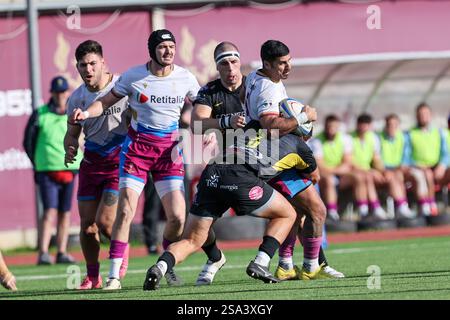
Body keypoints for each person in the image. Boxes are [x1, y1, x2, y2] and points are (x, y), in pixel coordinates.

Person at [191, 41, 343, 285]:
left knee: (298, 212)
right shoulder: (265, 88)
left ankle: (289, 265)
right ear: (268, 64)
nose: (287, 66)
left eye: (288, 60)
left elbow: (248, 101)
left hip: (259, 154)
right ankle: (310, 265)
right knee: (312, 210)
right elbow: (270, 127)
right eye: (282, 63)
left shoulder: (253, 78)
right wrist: (304, 117)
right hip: (269, 155)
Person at [70, 29, 200, 290]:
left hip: (169, 153)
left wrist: (206, 128)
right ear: (152, 50)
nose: (168, 51)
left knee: (177, 217)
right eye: (162, 47)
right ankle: (113, 276)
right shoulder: (133, 76)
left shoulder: (186, 77)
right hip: (137, 151)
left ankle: (165, 262)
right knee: (126, 210)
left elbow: (202, 106)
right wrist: (86, 113)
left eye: (172, 46)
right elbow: (105, 101)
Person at [142, 130, 320, 290]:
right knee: (287, 214)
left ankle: (161, 267)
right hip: (240, 176)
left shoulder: (254, 129)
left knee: (191, 240)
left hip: (212, 172)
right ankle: (261, 262)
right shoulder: (299, 144)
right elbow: (313, 176)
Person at [64, 40, 130, 290]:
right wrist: (70, 147)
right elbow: (71, 135)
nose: (88, 69)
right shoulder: (76, 98)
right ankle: (93, 275)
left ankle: (121, 252)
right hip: (91, 164)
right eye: (83, 65)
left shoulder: (122, 87)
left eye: (93, 63)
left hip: (118, 164)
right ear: (77, 67)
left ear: (103, 62)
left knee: (105, 222)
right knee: (88, 227)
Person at [23, 76, 81, 265]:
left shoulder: (74, 114)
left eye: (63, 92)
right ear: (52, 94)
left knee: (65, 212)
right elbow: (28, 141)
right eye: (56, 92)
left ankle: (62, 251)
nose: (60, 95)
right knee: (49, 211)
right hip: (47, 170)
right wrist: (38, 162)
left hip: (70, 168)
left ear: (67, 93)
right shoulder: (40, 114)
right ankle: (43, 252)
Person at [310, 114, 367, 221]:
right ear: (325, 126)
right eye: (329, 126)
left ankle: (363, 210)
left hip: (340, 175)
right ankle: (332, 212)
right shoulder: (317, 141)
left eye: (334, 127)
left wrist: (335, 170)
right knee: (329, 180)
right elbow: (320, 165)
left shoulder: (345, 139)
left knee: (359, 177)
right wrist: (335, 171)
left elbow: (347, 163)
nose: (331, 129)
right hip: (325, 177)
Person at [404, 103, 448, 216]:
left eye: (426, 114)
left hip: (437, 167)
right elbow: (406, 157)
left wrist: (442, 166)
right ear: (417, 116)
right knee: (424, 175)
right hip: (418, 168)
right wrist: (417, 165)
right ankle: (427, 205)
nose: (423, 116)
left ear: (430, 115)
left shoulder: (439, 132)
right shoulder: (410, 134)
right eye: (421, 114)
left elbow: (446, 153)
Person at [350, 113, 389, 220]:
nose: (364, 127)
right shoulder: (349, 138)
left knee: (370, 176)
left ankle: (373, 208)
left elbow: (376, 159)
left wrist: (382, 171)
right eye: (362, 124)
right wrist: (368, 171)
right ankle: (366, 209)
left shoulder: (373, 138)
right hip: (353, 172)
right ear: (357, 125)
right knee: (365, 176)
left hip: (367, 171)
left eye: (366, 125)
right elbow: (349, 162)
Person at [378, 114, 414, 218]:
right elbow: (377, 159)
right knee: (393, 177)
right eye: (389, 125)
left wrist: (401, 167)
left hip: (399, 170)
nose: (391, 128)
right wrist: (384, 170)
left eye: (394, 125)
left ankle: (425, 205)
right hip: (384, 170)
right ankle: (401, 206)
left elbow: (406, 158)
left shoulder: (403, 138)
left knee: (400, 175)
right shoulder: (379, 138)